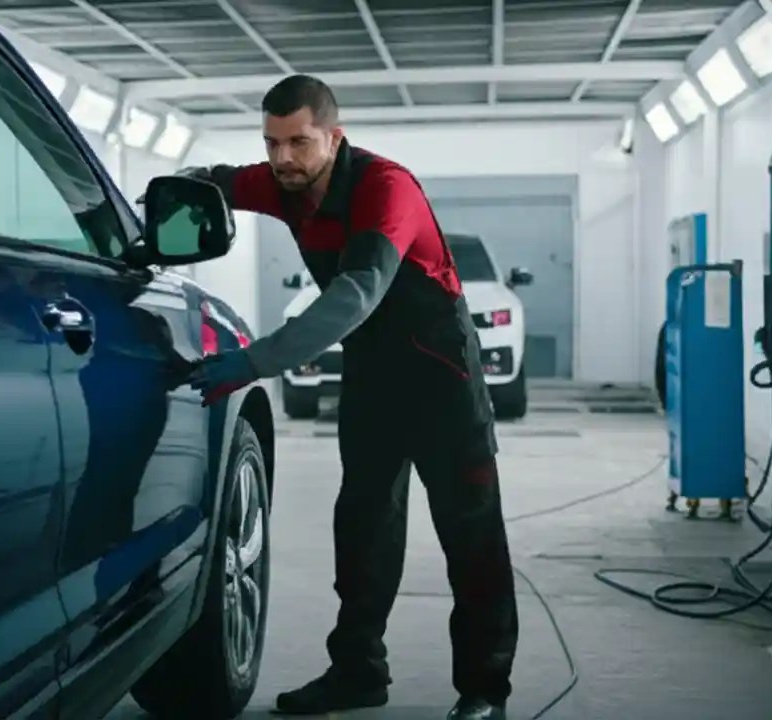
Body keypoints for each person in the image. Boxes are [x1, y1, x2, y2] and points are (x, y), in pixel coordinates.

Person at [183, 75, 518, 720]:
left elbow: (356, 291)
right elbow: (214, 180)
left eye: (299, 143)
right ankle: (357, 672)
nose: (283, 159)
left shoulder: (386, 188)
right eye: (272, 142)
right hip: (371, 373)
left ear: (334, 138)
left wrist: (256, 360)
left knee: (470, 533)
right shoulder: (281, 181)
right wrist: (151, 202)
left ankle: (484, 691)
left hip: (439, 372)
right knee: (363, 526)